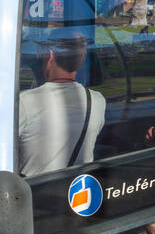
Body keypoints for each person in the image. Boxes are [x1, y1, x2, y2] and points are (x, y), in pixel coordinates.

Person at [18, 30, 106, 177]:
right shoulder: (97, 101)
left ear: (50, 55)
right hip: (76, 192)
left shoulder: (25, 102)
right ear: (82, 59)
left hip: (35, 194)